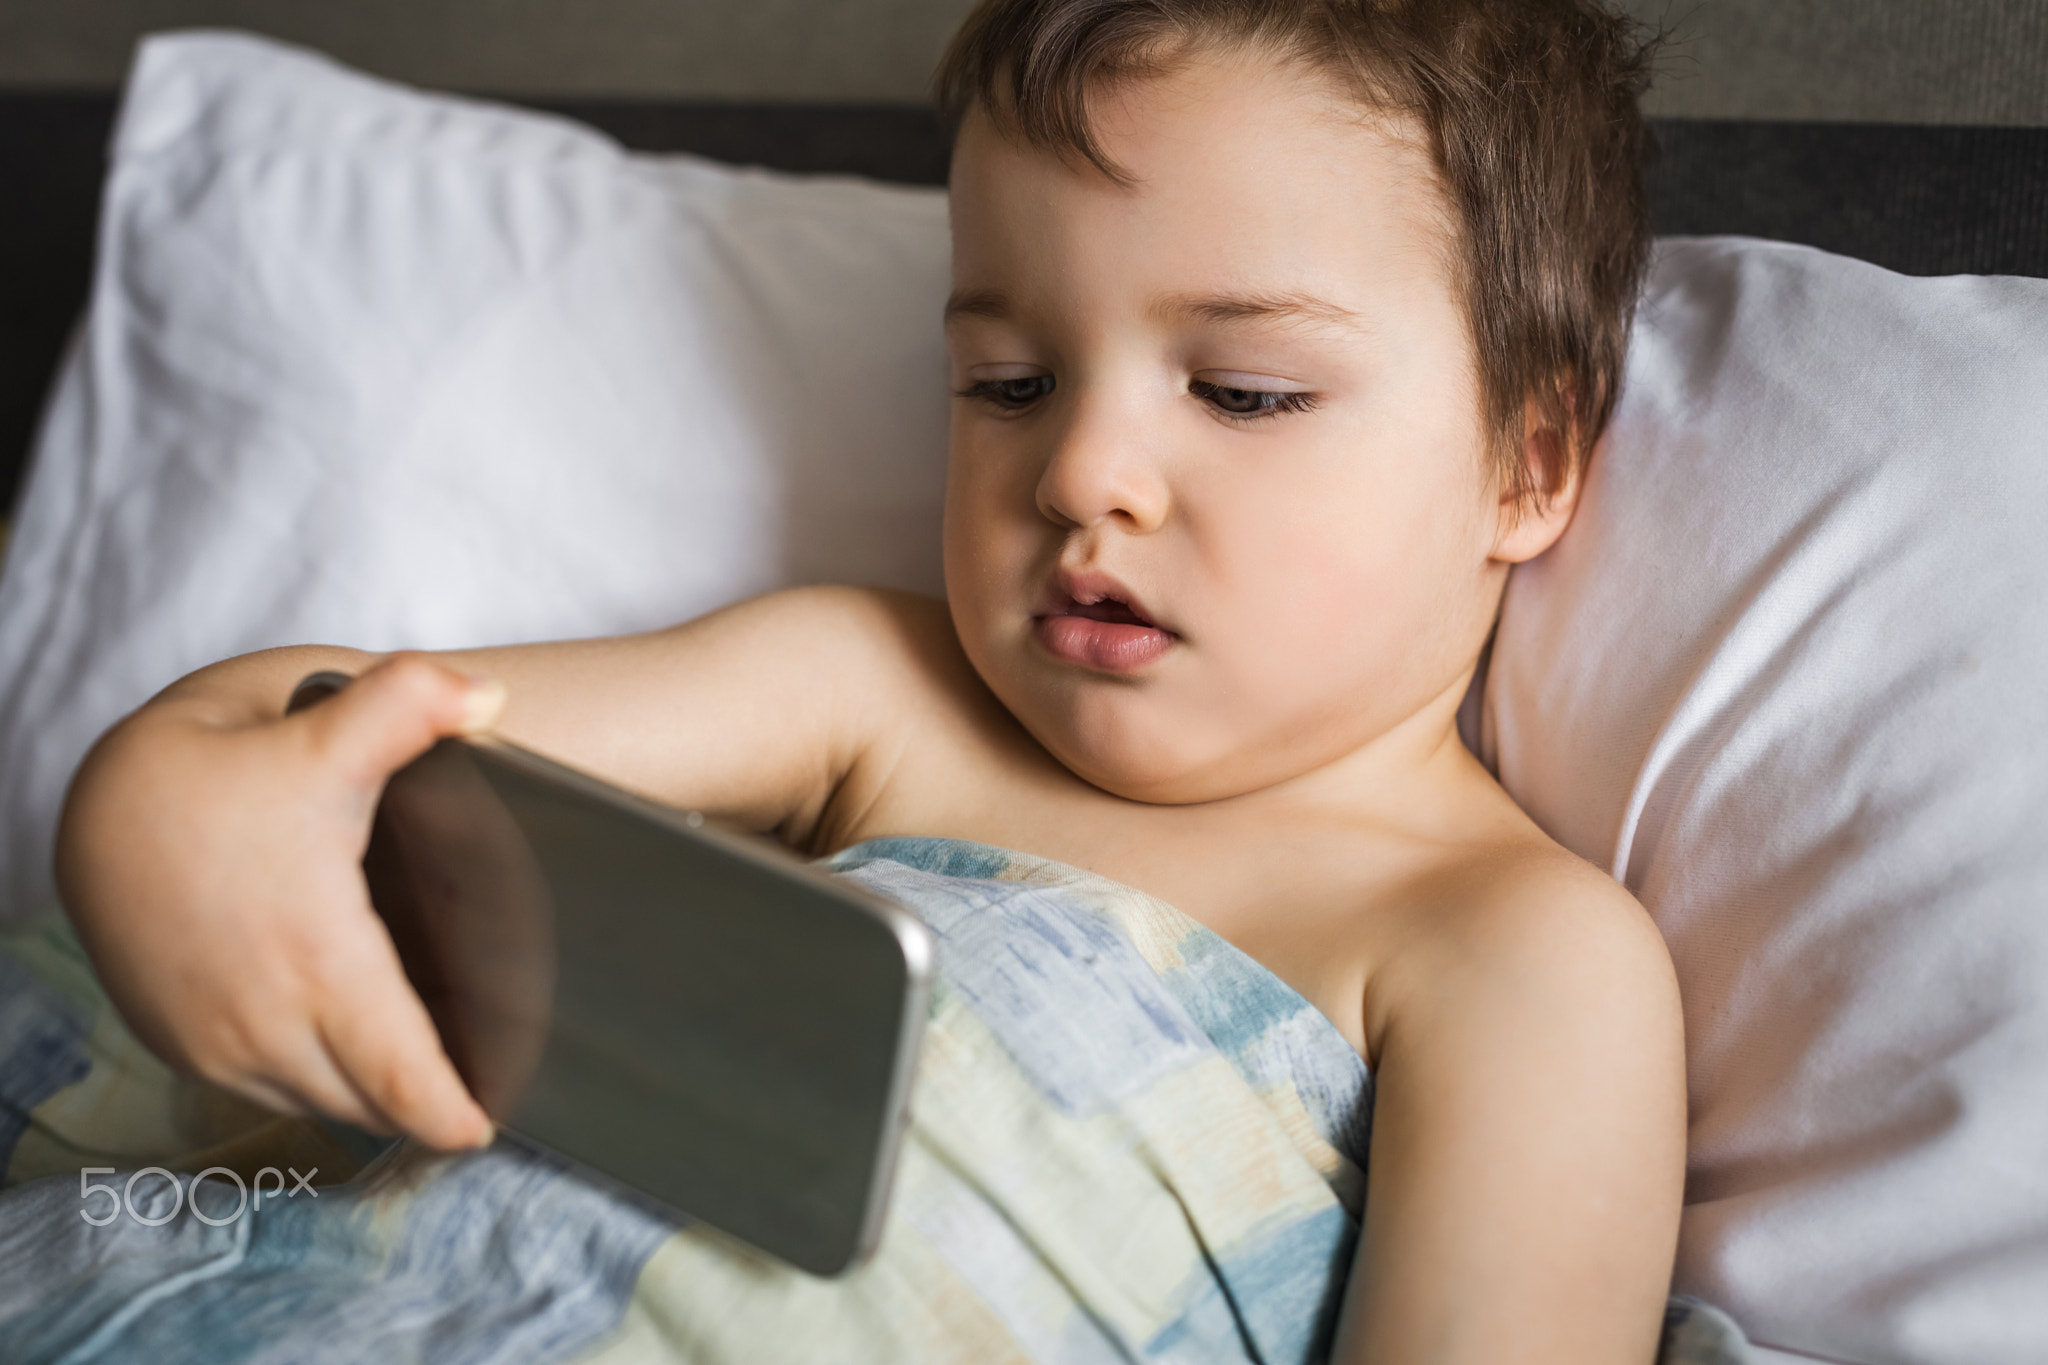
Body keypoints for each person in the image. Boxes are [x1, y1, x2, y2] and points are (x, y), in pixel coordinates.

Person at [54, 0, 1684, 1358]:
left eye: (1244, 391)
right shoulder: (878, 691)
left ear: (1528, 459)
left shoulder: (1516, 954)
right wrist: (160, 801)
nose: (1081, 471)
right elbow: (322, 726)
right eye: (1011, 382)